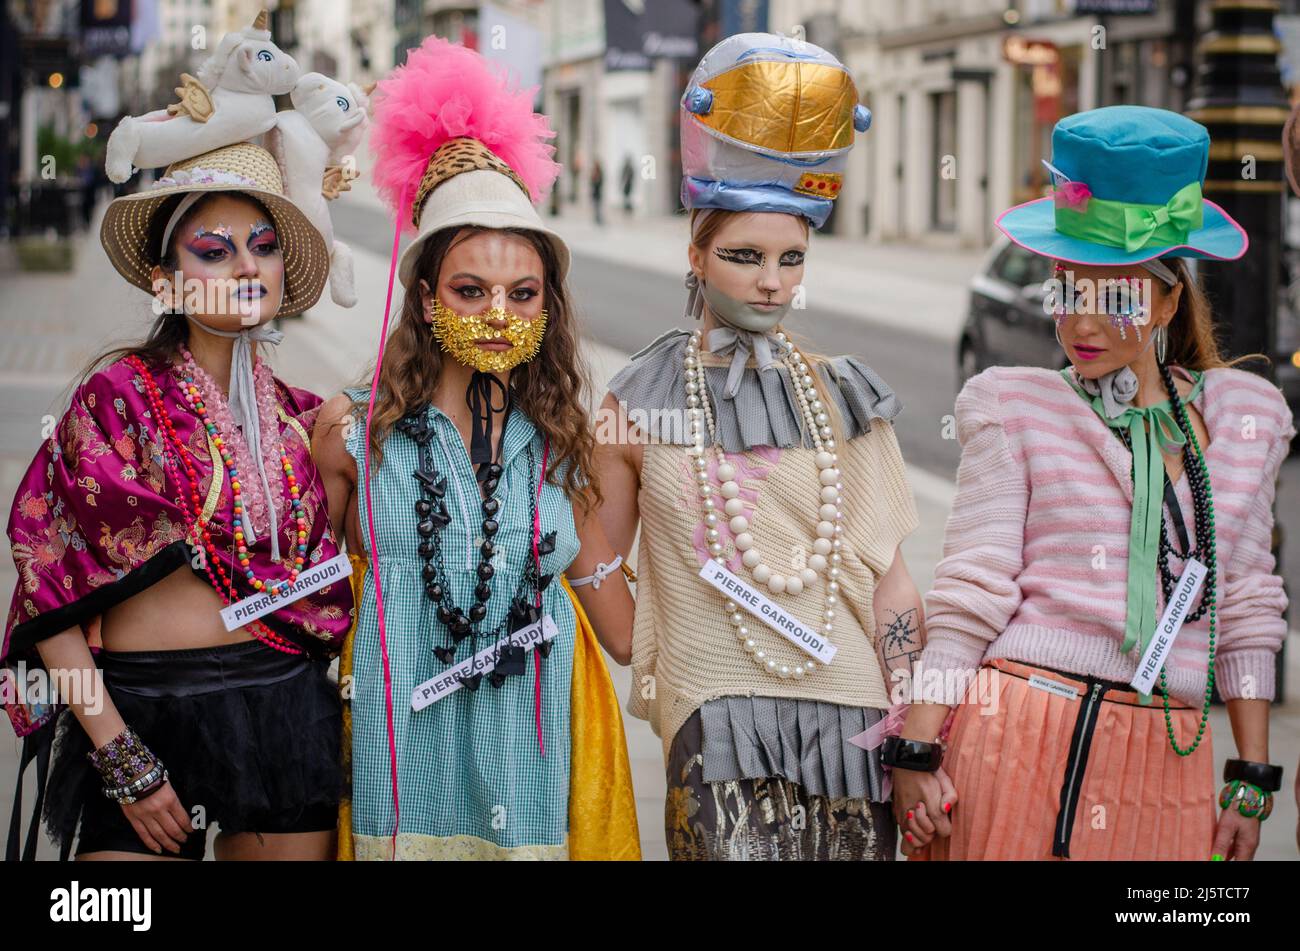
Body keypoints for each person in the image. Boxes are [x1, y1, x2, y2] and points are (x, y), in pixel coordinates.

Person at [898, 106, 1293, 861]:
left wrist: (1250, 777)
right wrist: (916, 753)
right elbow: (970, 591)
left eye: (1114, 296)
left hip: (1164, 763)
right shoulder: (1015, 407)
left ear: (1170, 300)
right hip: (1018, 736)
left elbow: (1245, 604)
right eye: (1066, 289)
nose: (1082, 320)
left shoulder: (1245, 424)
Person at [594, 32, 928, 861]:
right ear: (696, 253)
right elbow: (593, 553)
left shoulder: (843, 392)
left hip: (855, 722)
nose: (772, 281)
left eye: (791, 259)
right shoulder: (638, 398)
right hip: (716, 719)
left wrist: (917, 731)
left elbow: (892, 588)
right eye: (744, 256)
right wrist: (665, 661)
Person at [312, 37, 640, 861]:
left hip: (531, 768)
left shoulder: (566, 439)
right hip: (398, 761)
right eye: (470, 289)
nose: (499, 312)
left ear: (547, 307)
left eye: (522, 293)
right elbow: (311, 605)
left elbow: (627, 632)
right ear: (424, 298)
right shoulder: (351, 433)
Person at [2, 139, 354, 861]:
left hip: (281, 705)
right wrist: (116, 750)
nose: (246, 265)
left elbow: (346, 569)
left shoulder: (304, 419)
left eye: (261, 245)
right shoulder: (117, 399)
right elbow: (46, 587)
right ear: (165, 281)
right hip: (142, 714)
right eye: (212, 250)